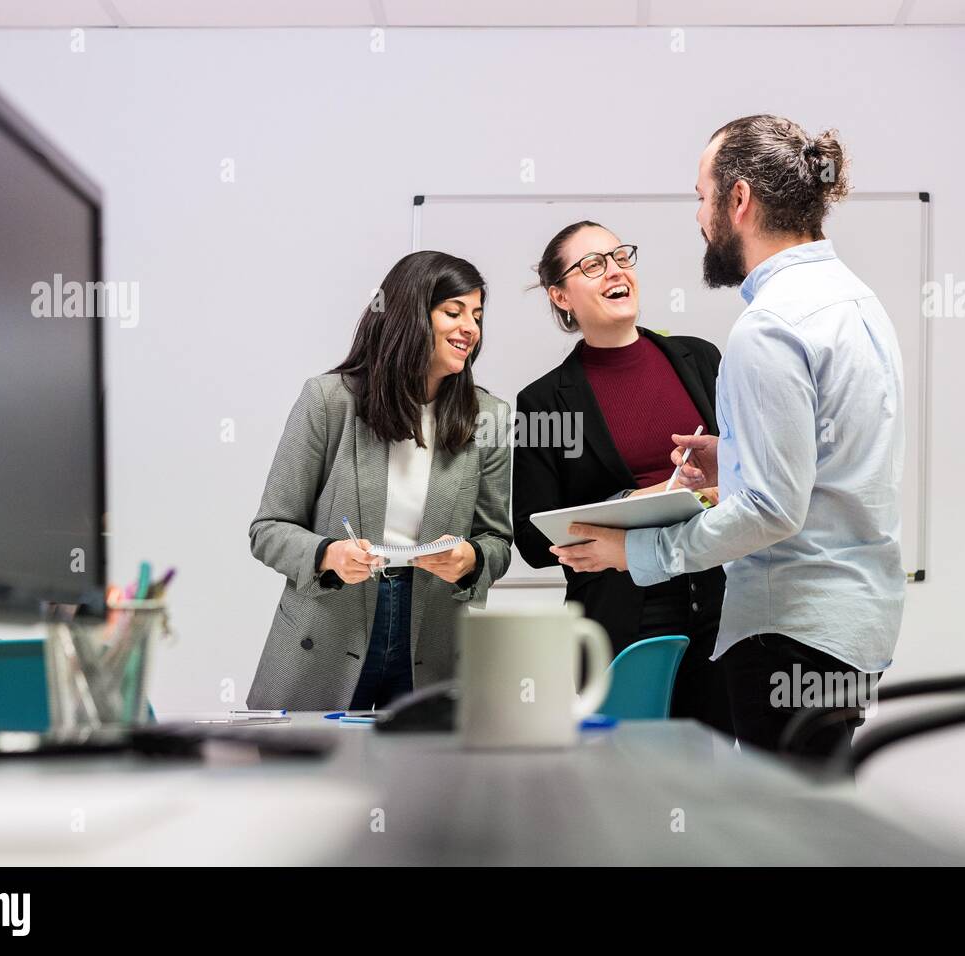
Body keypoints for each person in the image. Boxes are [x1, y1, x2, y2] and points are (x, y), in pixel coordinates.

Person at [553, 115, 905, 758]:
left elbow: (771, 510)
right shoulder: (855, 301)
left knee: (791, 835)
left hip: (790, 628)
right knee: (815, 820)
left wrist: (634, 554)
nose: (698, 216)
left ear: (737, 200)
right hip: (853, 623)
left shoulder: (768, 327)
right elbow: (836, 460)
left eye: (700, 195)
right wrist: (735, 458)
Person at [247, 250, 512, 711]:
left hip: (430, 634)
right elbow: (268, 529)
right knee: (315, 780)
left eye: (477, 315)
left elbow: (497, 542)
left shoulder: (488, 416)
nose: (470, 327)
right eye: (453, 312)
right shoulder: (329, 400)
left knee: (423, 779)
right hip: (327, 629)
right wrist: (329, 554)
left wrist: (470, 558)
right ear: (411, 313)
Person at [513, 221, 733, 736]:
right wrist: (649, 496)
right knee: (626, 786)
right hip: (621, 619)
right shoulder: (545, 402)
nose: (615, 270)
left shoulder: (701, 359)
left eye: (620, 257)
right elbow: (531, 536)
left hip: (719, 604)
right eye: (593, 264)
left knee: (716, 780)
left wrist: (714, 488)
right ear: (561, 295)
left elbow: (746, 477)